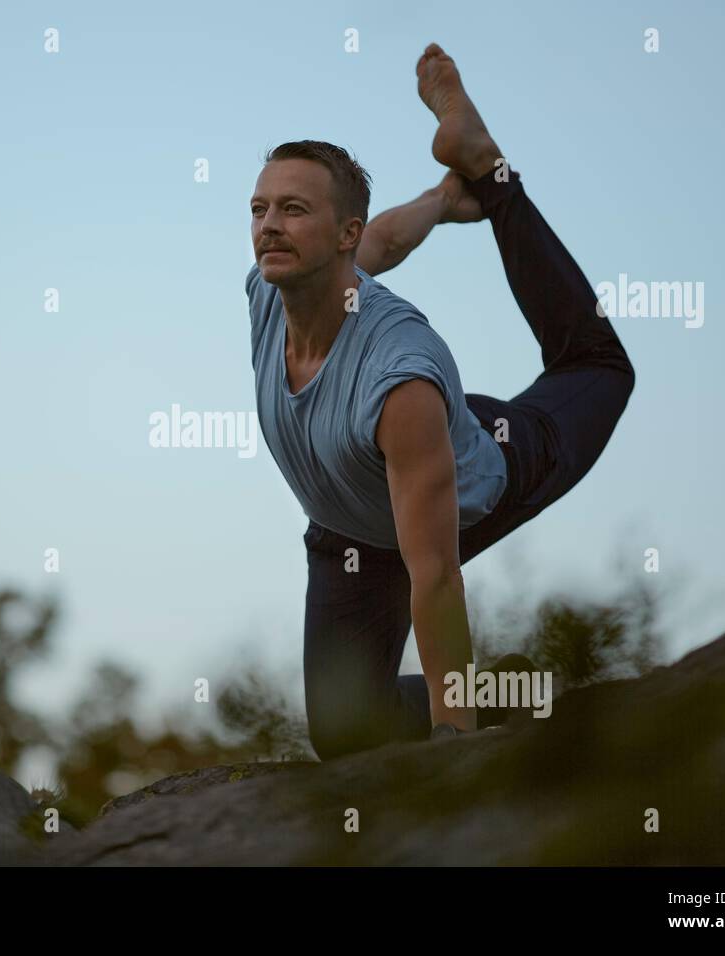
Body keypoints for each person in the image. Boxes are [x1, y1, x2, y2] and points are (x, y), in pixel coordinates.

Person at [246, 43, 635, 759]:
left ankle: (495, 172)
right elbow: (385, 241)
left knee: (599, 366)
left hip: (477, 465)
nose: (269, 225)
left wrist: (452, 742)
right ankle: (514, 693)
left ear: (341, 234)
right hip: (351, 532)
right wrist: (440, 202)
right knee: (346, 734)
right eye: (261, 207)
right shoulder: (273, 289)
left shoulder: (402, 380)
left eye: (293, 210)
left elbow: (436, 576)